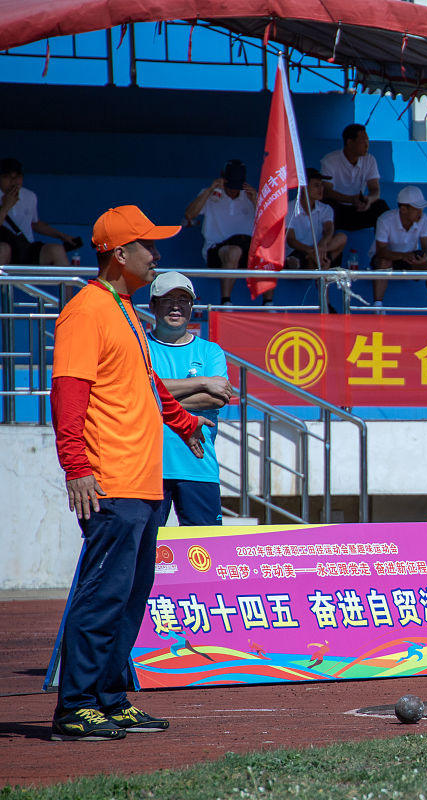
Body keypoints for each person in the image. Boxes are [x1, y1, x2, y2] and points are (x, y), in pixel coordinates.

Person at [49, 205, 212, 741]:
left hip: (141, 482)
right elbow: (68, 395)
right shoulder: (87, 310)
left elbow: (147, 383)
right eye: (148, 246)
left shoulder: (122, 309)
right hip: (111, 481)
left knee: (131, 595)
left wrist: (183, 421)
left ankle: (110, 698)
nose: (157, 254)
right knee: (104, 594)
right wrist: (76, 465)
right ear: (120, 254)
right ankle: (76, 706)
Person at [146, 272, 233, 527]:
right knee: (145, 556)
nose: (176, 306)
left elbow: (216, 400)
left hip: (198, 465)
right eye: (168, 299)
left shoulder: (210, 350)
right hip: (148, 469)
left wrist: (153, 397)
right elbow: (137, 389)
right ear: (152, 305)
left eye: (183, 299)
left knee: (206, 556)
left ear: (192, 306)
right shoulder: (139, 345)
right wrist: (202, 382)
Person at [182, 159, 258, 306]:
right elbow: (189, 215)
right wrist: (211, 189)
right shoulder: (210, 194)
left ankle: (268, 303)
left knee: (267, 252)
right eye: (230, 186)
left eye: (236, 186)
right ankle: (226, 302)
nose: (233, 190)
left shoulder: (250, 196)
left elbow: (268, 224)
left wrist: (255, 199)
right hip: (216, 250)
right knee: (233, 251)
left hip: (247, 249)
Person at [372, 185, 427, 313]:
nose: (420, 213)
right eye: (417, 209)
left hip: (410, 259)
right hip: (388, 258)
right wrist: (403, 256)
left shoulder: (423, 219)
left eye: (421, 209)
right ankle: (378, 307)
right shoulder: (385, 220)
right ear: (403, 209)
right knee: (383, 263)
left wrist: (423, 258)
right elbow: (381, 251)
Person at [0, 158, 79, 266]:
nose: (13, 181)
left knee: (56, 250)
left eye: (17, 177)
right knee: (3, 249)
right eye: (8, 177)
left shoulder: (30, 196)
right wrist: (5, 207)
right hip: (4, 247)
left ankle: (70, 283)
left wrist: (62, 236)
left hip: (25, 247)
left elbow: (34, 223)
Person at [320, 123, 388, 232]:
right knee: (325, 205)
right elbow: (326, 191)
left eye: (367, 141)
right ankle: (328, 246)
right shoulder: (330, 160)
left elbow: (375, 190)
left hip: (360, 209)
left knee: (381, 206)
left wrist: (368, 200)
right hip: (338, 210)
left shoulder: (370, 160)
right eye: (363, 141)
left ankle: (381, 247)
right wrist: (351, 199)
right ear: (350, 142)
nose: (367, 145)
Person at [286, 167, 347, 270]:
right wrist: (311, 250)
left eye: (321, 185)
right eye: (316, 185)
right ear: (303, 188)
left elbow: (329, 229)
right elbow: (291, 240)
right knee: (303, 258)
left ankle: (319, 261)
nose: (321, 189)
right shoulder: (288, 208)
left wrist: (322, 244)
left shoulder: (326, 209)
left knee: (342, 237)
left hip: (320, 250)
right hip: (298, 251)